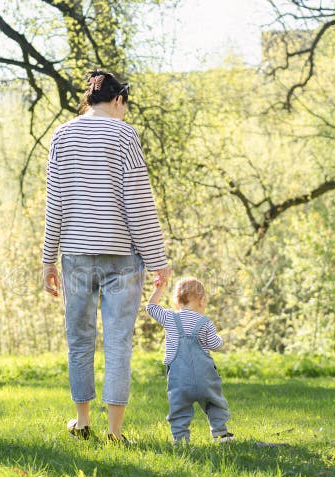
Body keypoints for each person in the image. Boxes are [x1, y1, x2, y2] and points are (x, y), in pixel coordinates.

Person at [42, 69, 171, 443]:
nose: (124, 114)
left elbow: (56, 203)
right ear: (118, 100)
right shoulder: (124, 134)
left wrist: (48, 258)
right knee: (118, 341)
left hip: (77, 253)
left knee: (78, 338)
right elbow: (139, 203)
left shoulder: (61, 135)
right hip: (122, 257)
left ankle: (82, 423)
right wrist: (158, 259)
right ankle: (115, 432)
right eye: (125, 107)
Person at [146, 277, 234, 443]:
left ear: (176, 302)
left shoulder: (169, 317)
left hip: (179, 380)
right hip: (205, 378)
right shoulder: (205, 322)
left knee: (179, 408)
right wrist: (221, 339)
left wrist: (160, 288)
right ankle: (221, 434)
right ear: (202, 300)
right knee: (214, 403)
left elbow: (150, 307)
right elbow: (215, 345)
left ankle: (180, 439)